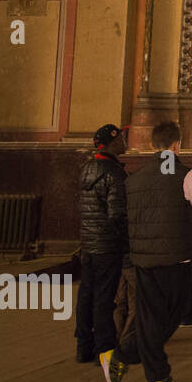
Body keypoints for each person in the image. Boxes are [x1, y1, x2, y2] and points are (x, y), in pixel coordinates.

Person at [101, 121, 192, 382]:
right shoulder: (186, 174)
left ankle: (155, 376)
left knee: (150, 317)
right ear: (177, 145)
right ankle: (132, 361)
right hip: (177, 257)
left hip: (144, 259)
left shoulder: (134, 178)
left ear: (151, 145)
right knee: (171, 316)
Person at [75, 123, 129, 364]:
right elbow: (117, 214)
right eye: (122, 138)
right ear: (113, 142)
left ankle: (83, 347)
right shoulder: (113, 172)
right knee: (105, 298)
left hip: (88, 243)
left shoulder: (86, 168)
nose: (126, 141)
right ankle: (105, 349)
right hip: (107, 245)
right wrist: (126, 241)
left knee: (87, 294)